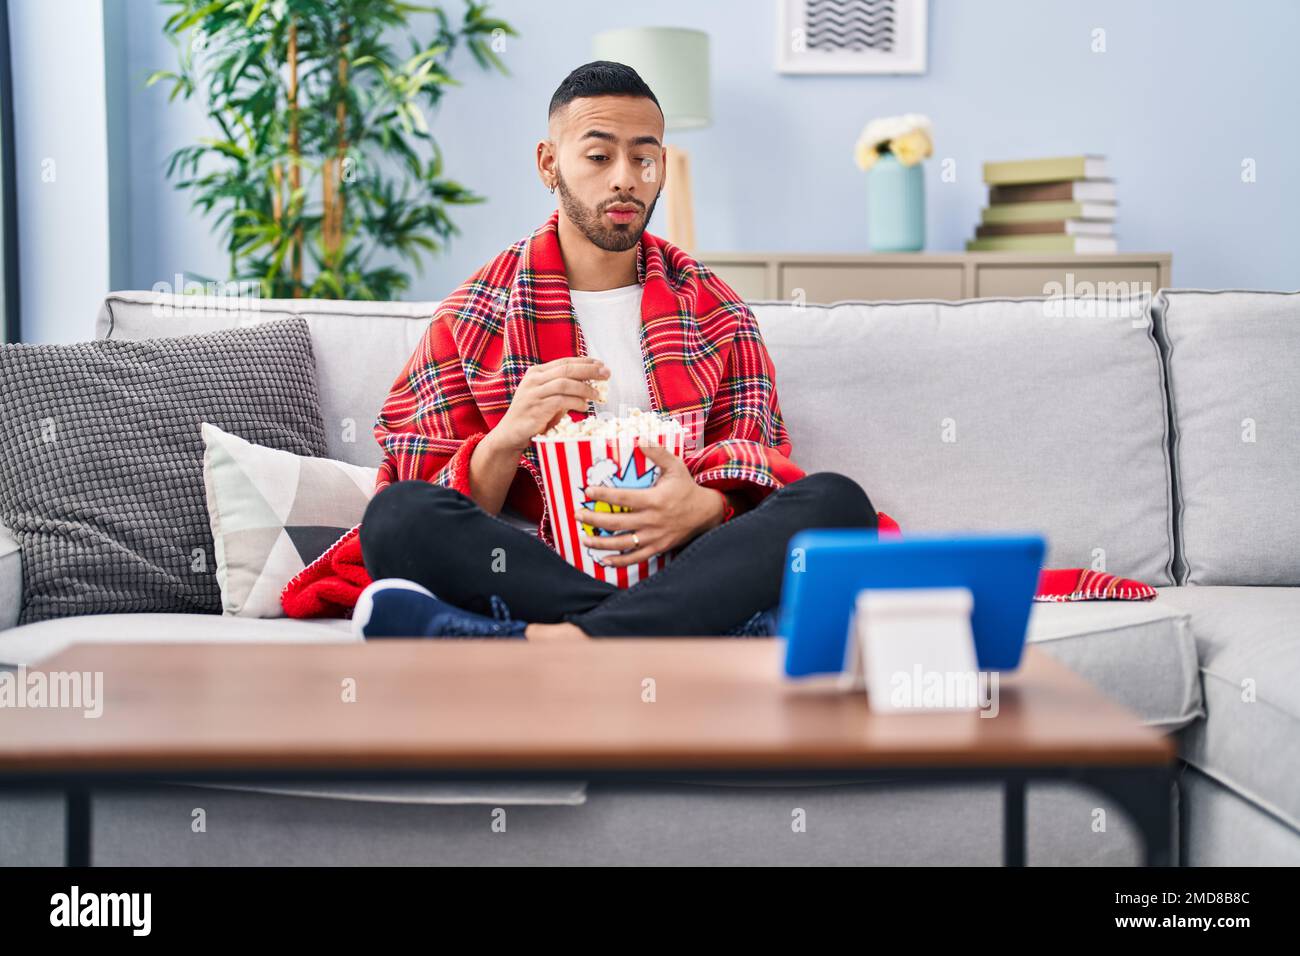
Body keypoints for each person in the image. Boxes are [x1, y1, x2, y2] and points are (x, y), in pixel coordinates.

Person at [354, 61, 878, 641]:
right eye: (600, 157)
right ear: (549, 164)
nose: (625, 178)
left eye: (644, 158)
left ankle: (565, 638)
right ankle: (650, 627)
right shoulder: (473, 314)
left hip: (690, 559)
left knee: (837, 503)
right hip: (542, 569)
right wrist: (508, 435)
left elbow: (757, 461)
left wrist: (705, 508)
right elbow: (429, 482)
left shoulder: (716, 310)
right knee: (397, 517)